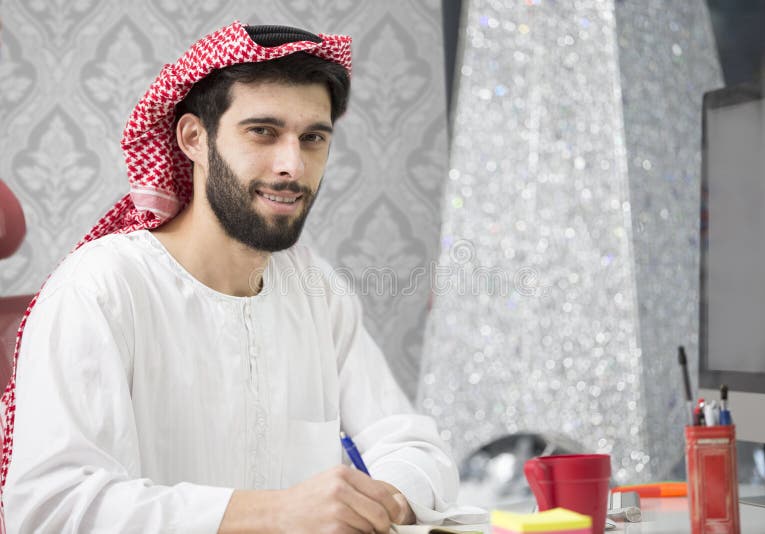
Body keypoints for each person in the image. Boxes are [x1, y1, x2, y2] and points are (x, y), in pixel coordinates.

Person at [0, 23, 458, 533]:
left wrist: (386, 500)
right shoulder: (102, 288)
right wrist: (278, 513)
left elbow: (414, 446)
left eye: (313, 138)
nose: (292, 164)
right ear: (194, 138)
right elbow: (51, 509)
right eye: (263, 131)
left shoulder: (312, 285)